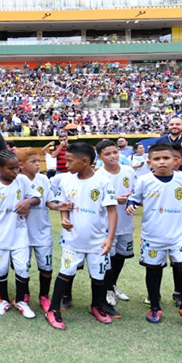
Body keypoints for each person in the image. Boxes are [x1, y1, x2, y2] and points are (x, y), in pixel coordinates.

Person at [44, 142, 117, 331]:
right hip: (73, 239)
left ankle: (97, 305)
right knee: (65, 273)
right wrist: (64, 218)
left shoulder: (102, 182)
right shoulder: (66, 180)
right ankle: (53, 309)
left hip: (97, 240)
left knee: (98, 276)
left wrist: (109, 238)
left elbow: (111, 211)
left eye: (69, 161)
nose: (66, 164)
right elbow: (64, 205)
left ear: (85, 161)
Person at [126, 143, 182, 329]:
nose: (162, 162)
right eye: (157, 159)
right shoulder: (144, 180)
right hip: (153, 235)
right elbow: (133, 198)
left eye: (166, 158)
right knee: (153, 271)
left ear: (175, 160)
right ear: (150, 162)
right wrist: (131, 204)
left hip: (179, 235)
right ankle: (155, 307)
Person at [0, 150, 40, 318]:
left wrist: (28, 201)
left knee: (22, 268)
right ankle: (3, 300)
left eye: (17, 168)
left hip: (19, 234)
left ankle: (21, 301)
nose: (15, 172)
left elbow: (37, 198)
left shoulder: (23, 180)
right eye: (11, 169)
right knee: (0, 270)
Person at [95, 139, 136, 310]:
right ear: (100, 157)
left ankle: (113, 284)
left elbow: (135, 192)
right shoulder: (98, 175)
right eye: (107, 154)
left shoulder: (128, 170)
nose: (113, 156)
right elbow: (95, 201)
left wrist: (131, 202)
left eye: (115, 152)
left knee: (121, 256)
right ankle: (108, 289)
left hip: (126, 221)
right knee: (108, 258)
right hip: (106, 224)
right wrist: (114, 200)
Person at [17, 147, 54, 313]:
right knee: (23, 267)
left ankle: (44, 296)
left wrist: (60, 206)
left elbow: (49, 202)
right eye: (33, 162)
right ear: (21, 165)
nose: (38, 164)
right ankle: (24, 295)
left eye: (39, 161)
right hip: (21, 232)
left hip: (42, 231)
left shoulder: (44, 180)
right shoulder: (15, 180)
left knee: (46, 267)